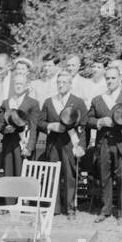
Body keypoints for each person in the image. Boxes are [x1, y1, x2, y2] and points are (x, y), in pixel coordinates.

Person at [88, 61, 122, 221]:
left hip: (121, 143)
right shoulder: (97, 100)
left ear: (119, 79)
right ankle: (106, 209)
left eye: (113, 78)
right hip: (103, 143)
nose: (110, 81)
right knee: (104, 176)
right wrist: (99, 122)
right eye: (108, 78)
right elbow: (87, 120)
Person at [40, 68, 88, 217]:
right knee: (52, 175)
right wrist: (50, 126)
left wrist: (81, 145)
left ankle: (69, 208)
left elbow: (83, 125)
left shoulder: (77, 102)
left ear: (70, 84)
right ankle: (54, 208)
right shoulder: (49, 102)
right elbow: (40, 122)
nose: (61, 85)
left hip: (70, 143)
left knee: (69, 175)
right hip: (53, 143)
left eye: (64, 82)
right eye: (59, 82)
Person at [0, 59, 40, 201]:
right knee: (9, 171)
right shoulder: (6, 103)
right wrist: (4, 129)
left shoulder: (33, 103)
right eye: (16, 84)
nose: (18, 86)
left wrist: (30, 147)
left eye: (21, 84)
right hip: (9, 141)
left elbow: (33, 127)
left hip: (24, 142)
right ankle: (9, 201)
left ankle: (23, 200)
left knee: (23, 171)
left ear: (26, 85)